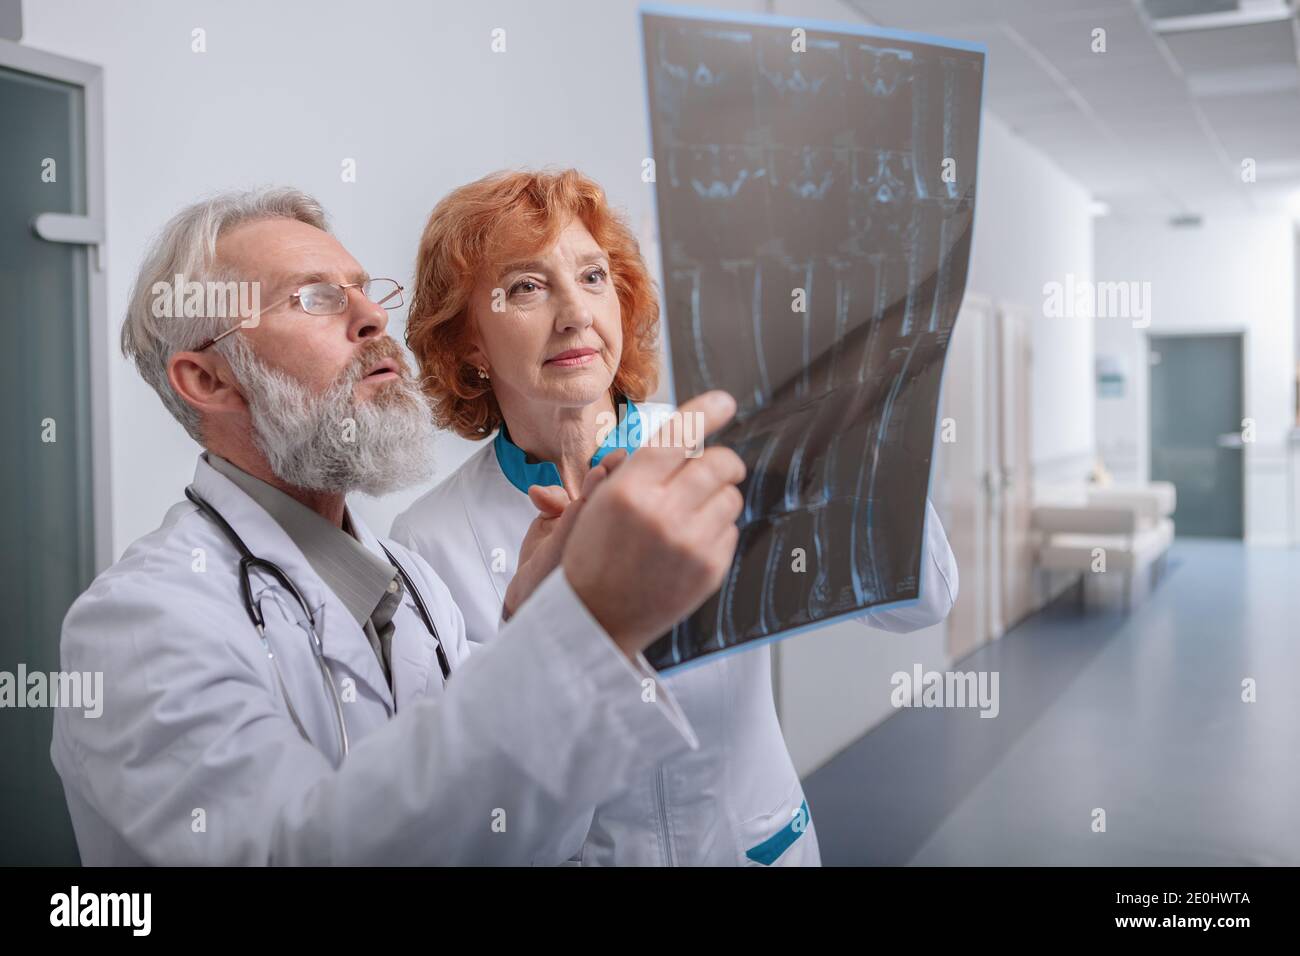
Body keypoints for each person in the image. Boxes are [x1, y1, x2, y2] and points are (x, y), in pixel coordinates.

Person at [50, 187, 748, 865]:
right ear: (208, 380)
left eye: (362, 290)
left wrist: (537, 620)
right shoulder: (141, 625)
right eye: (316, 298)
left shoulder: (409, 586)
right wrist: (587, 625)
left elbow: (532, 837)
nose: (371, 319)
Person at [391, 169, 960, 866]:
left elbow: (922, 599)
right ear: (469, 343)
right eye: (526, 287)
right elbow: (481, 788)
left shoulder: (720, 448)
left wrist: (861, 441)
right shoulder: (430, 539)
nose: (575, 312)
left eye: (593, 277)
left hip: (754, 847)